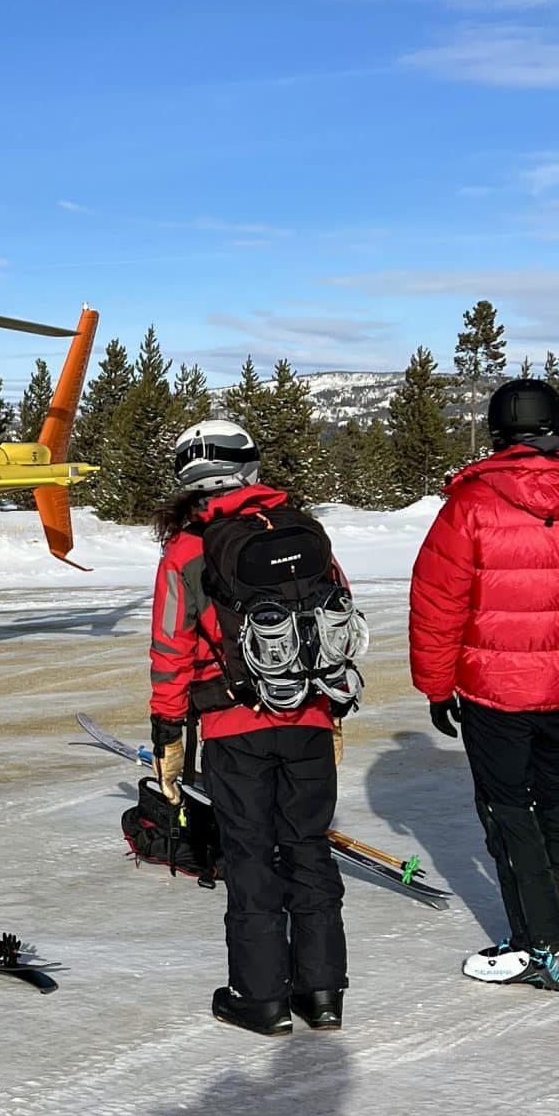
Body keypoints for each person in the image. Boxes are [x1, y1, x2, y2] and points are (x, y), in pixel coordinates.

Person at [409, 377, 559, 994]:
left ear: (499, 433)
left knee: (509, 810)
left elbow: (437, 603)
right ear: (556, 428)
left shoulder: (471, 504)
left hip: (495, 695)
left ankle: (539, 944)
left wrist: (438, 687)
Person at [149, 419, 356, 1035]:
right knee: (308, 848)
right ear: (252, 469)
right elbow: (338, 618)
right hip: (312, 717)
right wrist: (332, 711)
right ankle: (321, 994)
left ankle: (259, 998)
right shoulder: (307, 532)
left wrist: (168, 732)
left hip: (234, 728)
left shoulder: (187, 550)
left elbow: (170, 647)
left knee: (250, 857)